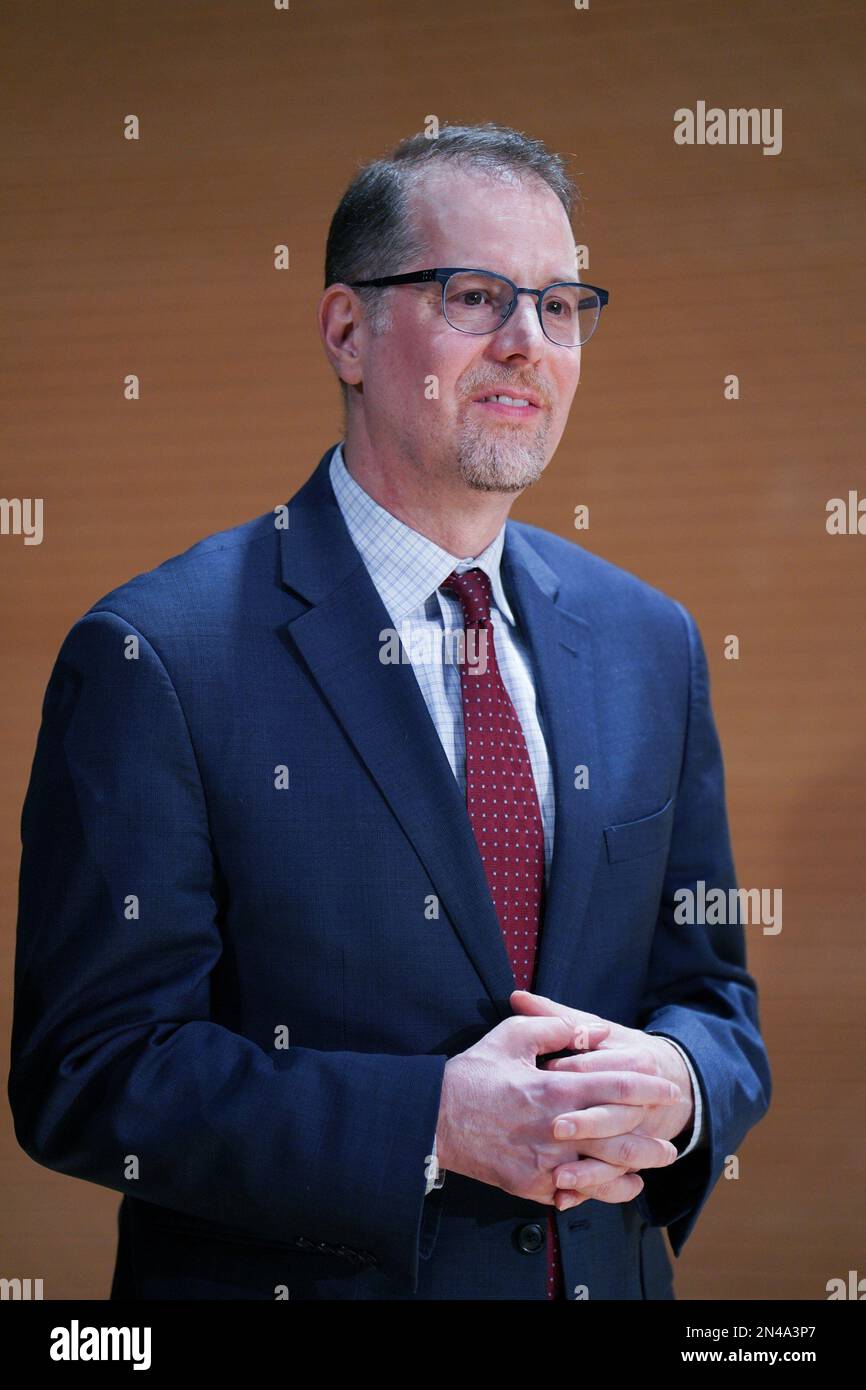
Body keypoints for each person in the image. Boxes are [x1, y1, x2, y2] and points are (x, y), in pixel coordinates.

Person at [8, 122, 771, 1300]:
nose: (527, 342)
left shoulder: (650, 643)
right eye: (475, 295)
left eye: (560, 305)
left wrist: (677, 1083)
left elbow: (713, 996)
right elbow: (90, 1072)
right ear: (347, 332)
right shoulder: (157, 654)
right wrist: (432, 1122)